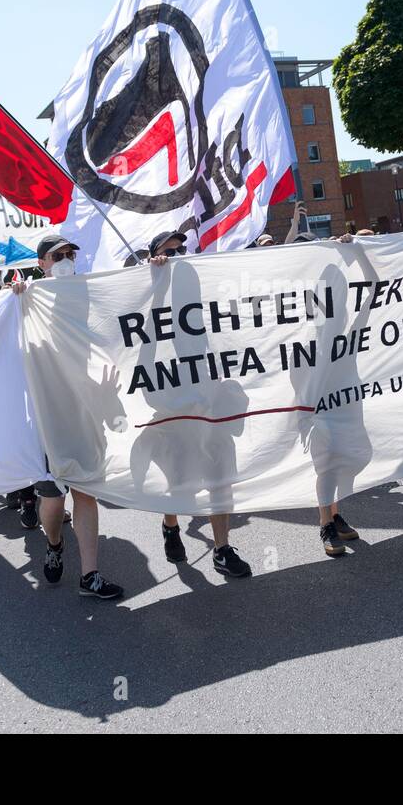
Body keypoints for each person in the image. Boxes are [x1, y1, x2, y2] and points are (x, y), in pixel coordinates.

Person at [11, 234, 123, 599]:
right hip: (49, 419)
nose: (65, 259)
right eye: (57, 255)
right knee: (54, 501)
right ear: (41, 263)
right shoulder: (27, 300)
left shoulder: (85, 295)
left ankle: (90, 574)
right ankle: (55, 544)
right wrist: (16, 297)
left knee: (86, 492)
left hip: (84, 411)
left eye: (70, 253)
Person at [145, 229, 252, 578]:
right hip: (174, 416)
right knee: (181, 487)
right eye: (169, 252)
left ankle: (222, 549)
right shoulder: (147, 297)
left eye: (182, 250)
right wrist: (155, 283)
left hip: (209, 409)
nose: (177, 255)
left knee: (221, 481)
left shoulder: (194, 288)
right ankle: (171, 524)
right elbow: (140, 346)